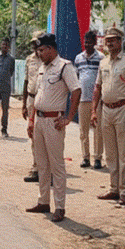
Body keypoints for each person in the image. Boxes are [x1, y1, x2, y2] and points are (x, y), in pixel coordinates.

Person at [25, 33, 81, 223]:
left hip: (54, 122)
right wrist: (32, 120)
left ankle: (59, 207)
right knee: (42, 163)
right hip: (39, 119)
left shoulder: (64, 66)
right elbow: (38, 95)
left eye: (41, 50)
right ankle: (43, 201)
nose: (39, 54)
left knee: (56, 165)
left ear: (50, 49)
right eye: (38, 50)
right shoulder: (43, 68)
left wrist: (69, 117)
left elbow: (76, 91)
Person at [91, 26, 125, 206]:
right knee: (110, 153)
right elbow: (97, 87)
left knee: (123, 153)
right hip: (106, 110)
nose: (109, 43)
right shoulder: (103, 62)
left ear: (120, 42)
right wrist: (94, 110)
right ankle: (113, 189)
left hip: (123, 109)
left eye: (113, 40)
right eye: (107, 40)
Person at [74, 30, 104, 169]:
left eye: (90, 42)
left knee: (98, 130)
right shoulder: (78, 58)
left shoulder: (101, 58)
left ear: (95, 42)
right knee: (83, 130)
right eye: (86, 42)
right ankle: (85, 157)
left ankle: (98, 158)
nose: (88, 45)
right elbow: (76, 78)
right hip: (82, 99)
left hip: (97, 100)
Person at [21, 32, 42, 182]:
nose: (35, 46)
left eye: (38, 42)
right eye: (34, 43)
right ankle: (36, 168)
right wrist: (23, 104)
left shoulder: (49, 59)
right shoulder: (30, 59)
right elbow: (26, 82)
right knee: (33, 135)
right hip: (31, 99)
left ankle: (47, 170)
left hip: (45, 101)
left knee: (45, 136)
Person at [0, 37, 15, 137]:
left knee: (5, 110)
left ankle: (4, 130)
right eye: (3, 45)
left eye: (6, 45)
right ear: (1, 45)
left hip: (6, 89)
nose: (4, 47)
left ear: (8, 47)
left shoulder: (11, 59)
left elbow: (11, 72)